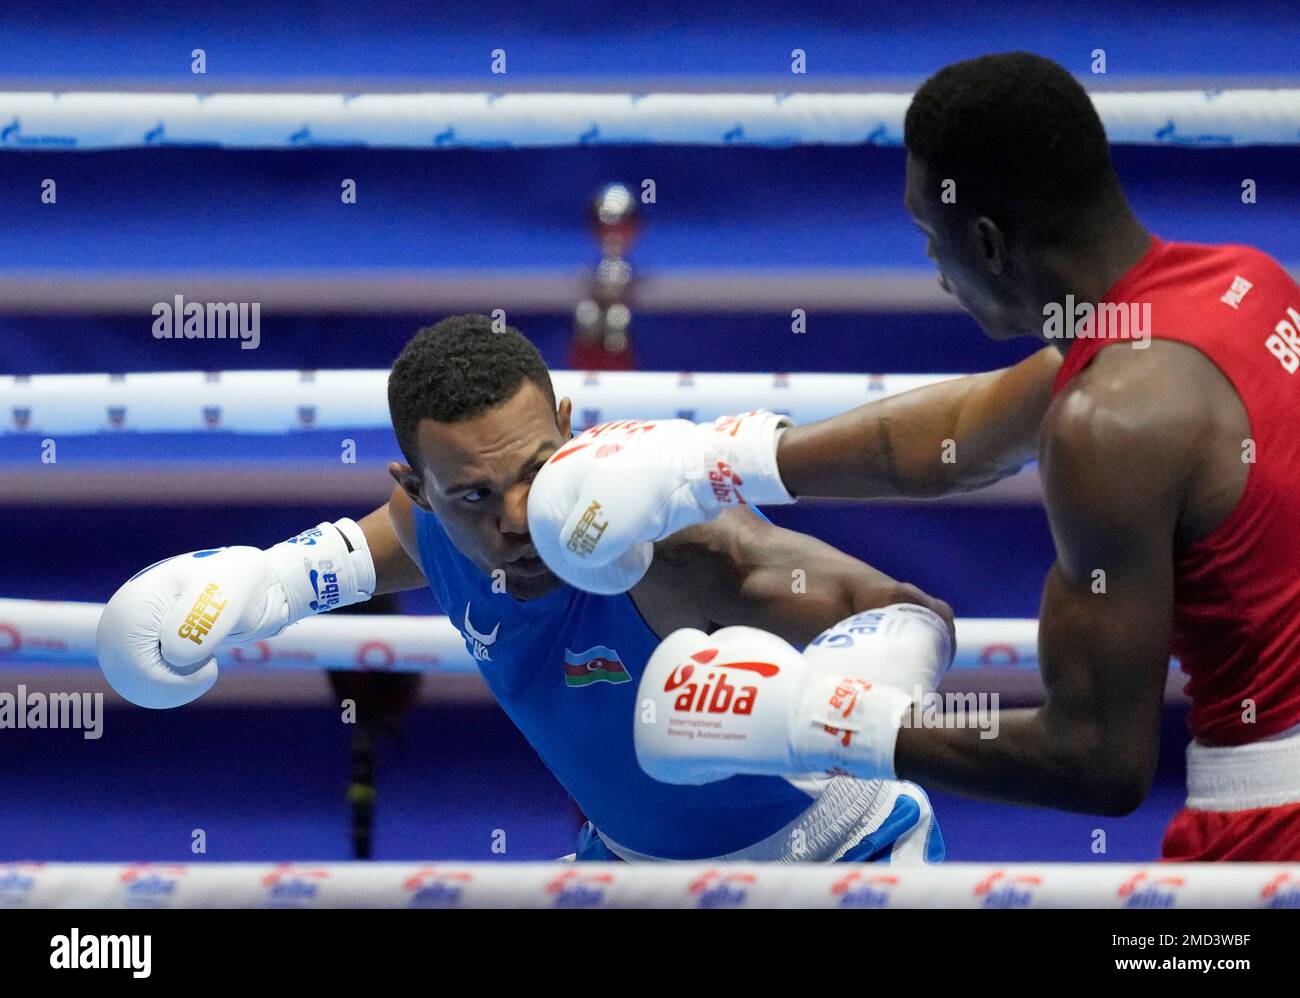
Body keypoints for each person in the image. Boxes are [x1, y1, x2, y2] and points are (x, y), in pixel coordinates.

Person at [526, 52, 1300, 861]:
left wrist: (815, 722)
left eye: (932, 238)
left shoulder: (1107, 424)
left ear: (990, 243)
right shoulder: (1239, 285)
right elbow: (957, 435)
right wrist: (716, 463)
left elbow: (1096, 760)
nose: (934, 271)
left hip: (1272, 831)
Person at [95, 314, 953, 864]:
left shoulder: (679, 547)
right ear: (418, 488)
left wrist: (805, 706)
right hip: (633, 870)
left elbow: (910, 613)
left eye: (539, 473)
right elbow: (306, 574)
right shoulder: (426, 530)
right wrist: (233, 594)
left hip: (843, 857)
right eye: (472, 495)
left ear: (570, 429)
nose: (516, 518)